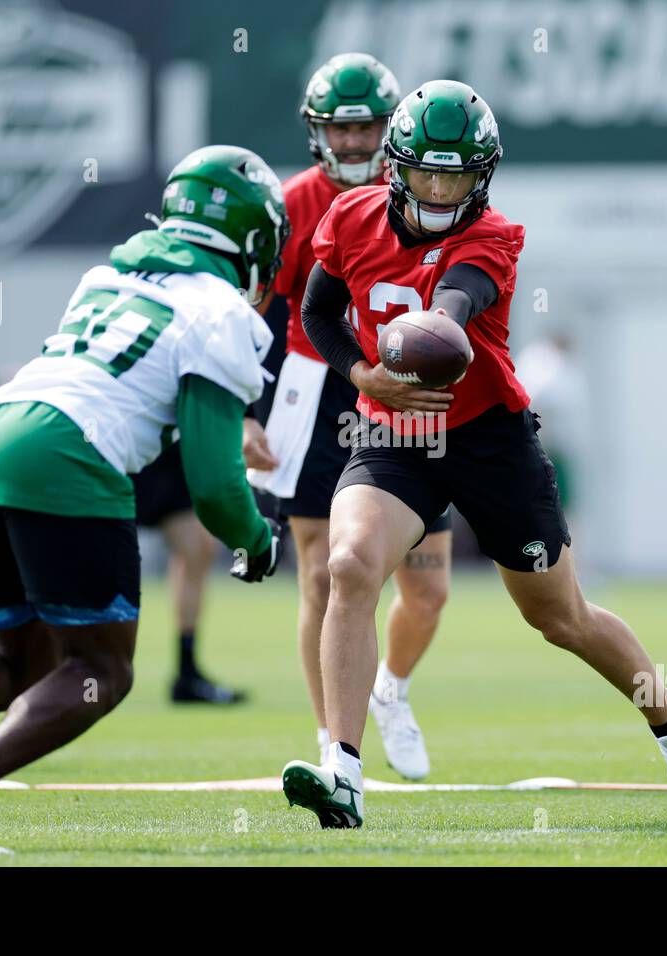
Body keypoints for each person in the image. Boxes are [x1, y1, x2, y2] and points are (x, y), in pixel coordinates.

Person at [281, 81, 667, 828]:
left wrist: (424, 340)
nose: (442, 187)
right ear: (398, 166)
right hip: (392, 431)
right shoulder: (351, 214)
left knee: (561, 619)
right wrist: (363, 374)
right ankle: (344, 772)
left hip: (486, 436)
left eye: (457, 174)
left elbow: (451, 309)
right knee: (348, 565)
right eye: (428, 171)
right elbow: (318, 309)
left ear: (481, 176)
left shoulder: (494, 235)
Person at [0, 146, 287, 853]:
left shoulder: (108, 275)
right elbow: (215, 486)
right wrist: (258, 540)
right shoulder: (225, 312)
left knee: (27, 665)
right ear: (255, 240)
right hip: (63, 453)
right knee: (103, 671)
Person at [247, 53, 449, 779]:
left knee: (426, 586)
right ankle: (335, 743)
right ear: (317, 131)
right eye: (342, 129)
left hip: (403, 389)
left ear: (390, 129)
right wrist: (248, 407)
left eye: (367, 128)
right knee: (321, 575)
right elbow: (253, 311)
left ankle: (389, 690)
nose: (356, 144)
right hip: (313, 385)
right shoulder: (293, 201)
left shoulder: (425, 192)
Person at [132, 443, 247, 704]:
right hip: (124, 440)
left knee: (198, 547)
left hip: (173, 444)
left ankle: (186, 674)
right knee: (97, 550)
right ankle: (72, 665)